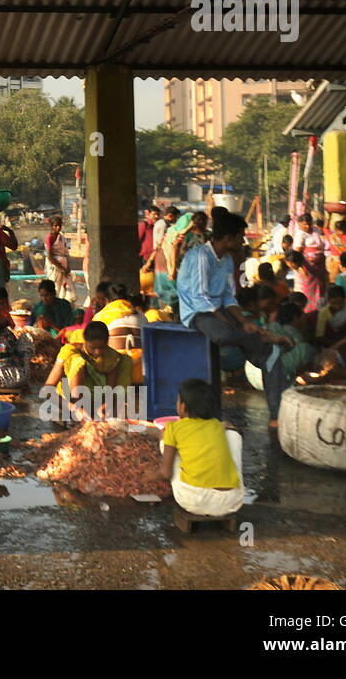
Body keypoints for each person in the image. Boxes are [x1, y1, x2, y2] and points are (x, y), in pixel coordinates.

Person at [177, 211, 292, 428]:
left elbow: (229, 297)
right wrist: (235, 324)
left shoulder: (228, 259)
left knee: (271, 353)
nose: (243, 240)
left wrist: (244, 322)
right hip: (197, 313)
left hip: (219, 310)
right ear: (227, 238)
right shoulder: (201, 256)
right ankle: (263, 339)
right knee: (225, 334)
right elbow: (201, 299)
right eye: (240, 236)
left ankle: (276, 416)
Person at [156, 379, 244, 518]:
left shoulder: (173, 428)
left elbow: (166, 474)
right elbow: (222, 428)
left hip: (193, 500)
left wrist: (151, 475)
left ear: (183, 407)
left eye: (178, 401)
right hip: (231, 502)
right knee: (232, 435)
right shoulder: (216, 424)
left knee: (167, 440)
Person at [45, 321, 132, 421]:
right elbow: (48, 390)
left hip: (96, 400)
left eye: (102, 348)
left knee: (126, 360)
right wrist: (73, 408)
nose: (97, 352)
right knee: (78, 361)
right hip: (69, 401)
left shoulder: (111, 357)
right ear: (85, 341)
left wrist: (104, 408)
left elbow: (110, 392)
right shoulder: (69, 351)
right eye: (93, 348)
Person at [93, 281, 149, 352]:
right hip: (141, 359)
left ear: (107, 300)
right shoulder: (141, 314)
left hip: (116, 361)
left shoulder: (101, 315)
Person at [44, 214, 74, 301]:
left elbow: (65, 253)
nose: (58, 228)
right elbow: (50, 256)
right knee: (54, 288)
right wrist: (61, 268)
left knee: (64, 289)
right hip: (54, 267)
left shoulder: (62, 237)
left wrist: (67, 268)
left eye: (59, 226)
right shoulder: (49, 237)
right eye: (56, 225)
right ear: (52, 226)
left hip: (63, 266)